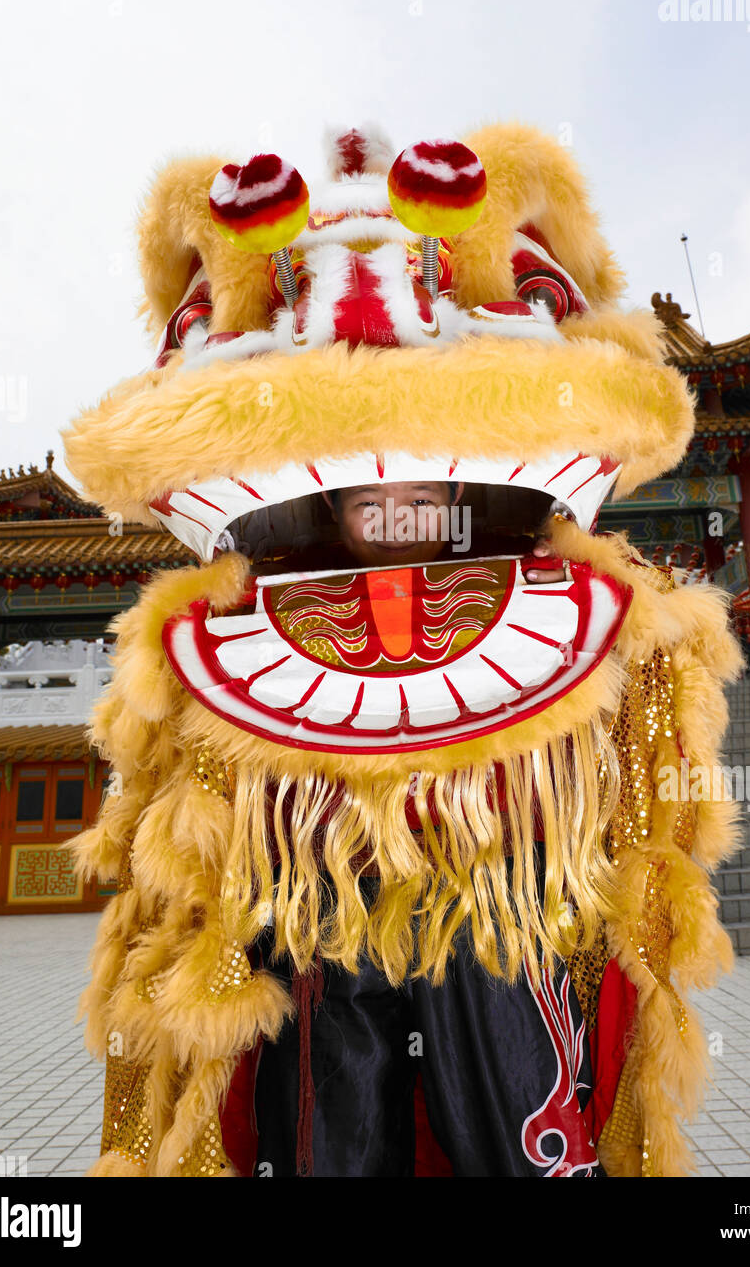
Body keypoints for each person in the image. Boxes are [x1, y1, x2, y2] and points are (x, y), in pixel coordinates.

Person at [246, 479, 605, 1178]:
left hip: (492, 889)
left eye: (419, 499)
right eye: (369, 502)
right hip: (333, 891)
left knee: (518, 1105)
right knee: (332, 1130)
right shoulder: (269, 602)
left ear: (457, 492)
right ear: (328, 504)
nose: (394, 521)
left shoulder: (534, 584)